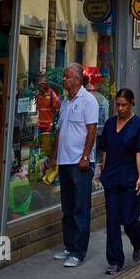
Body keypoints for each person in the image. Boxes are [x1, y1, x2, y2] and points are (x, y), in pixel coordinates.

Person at [51, 63, 99, 267]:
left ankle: (78, 252)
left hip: (80, 162)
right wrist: (54, 157)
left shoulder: (88, 100)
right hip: (64, 160)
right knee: (68, 206)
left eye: (67, 76)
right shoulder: (65, 102)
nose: (64, 80)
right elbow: (60, 131)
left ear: (78, 80)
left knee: (81, 206)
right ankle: (69, 246)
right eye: (63, 76)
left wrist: (85, 157)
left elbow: (92, 130)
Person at [97, 88, 140, 274]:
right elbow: (106, 150)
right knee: (112, 220)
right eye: (117, 104)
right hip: (111, 177)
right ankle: (115, 260)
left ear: (131, 103)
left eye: (124, 105)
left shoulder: (139, 125)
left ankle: (138, 241)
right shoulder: (110, 124)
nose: (120, 108)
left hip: (129, 178)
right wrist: (103, 171)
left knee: (128, 219)